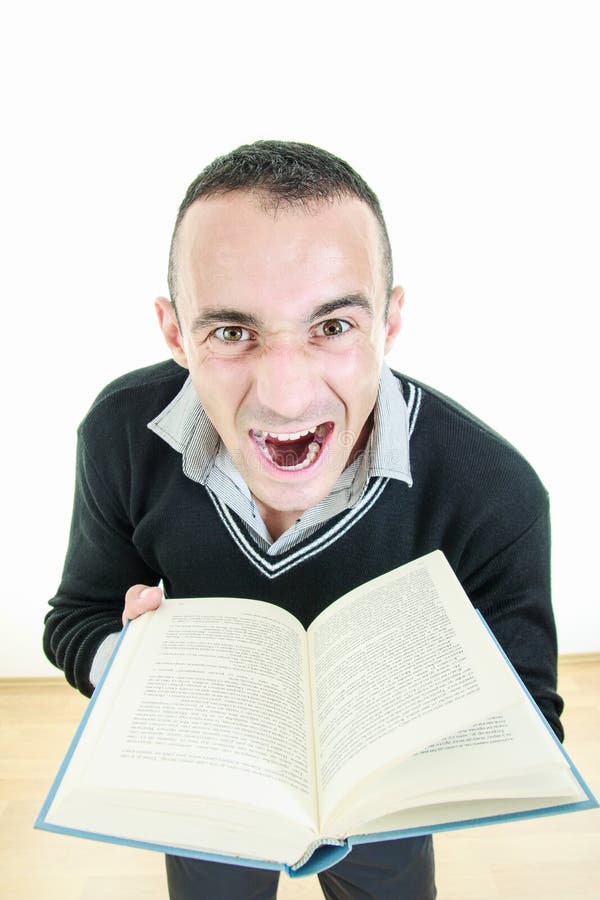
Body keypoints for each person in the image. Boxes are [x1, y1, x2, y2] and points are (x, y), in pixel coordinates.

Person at [44, 140, 564, 900]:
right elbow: (77, 619)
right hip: (210, 800)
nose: (286, 397)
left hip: (384, 812)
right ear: (174, 332)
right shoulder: (120, 435)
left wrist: (428, 718)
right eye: (230, 331)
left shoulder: (497, 493)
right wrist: (130, 667)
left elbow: (532, 717)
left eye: (332, 327)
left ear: (389, 322)